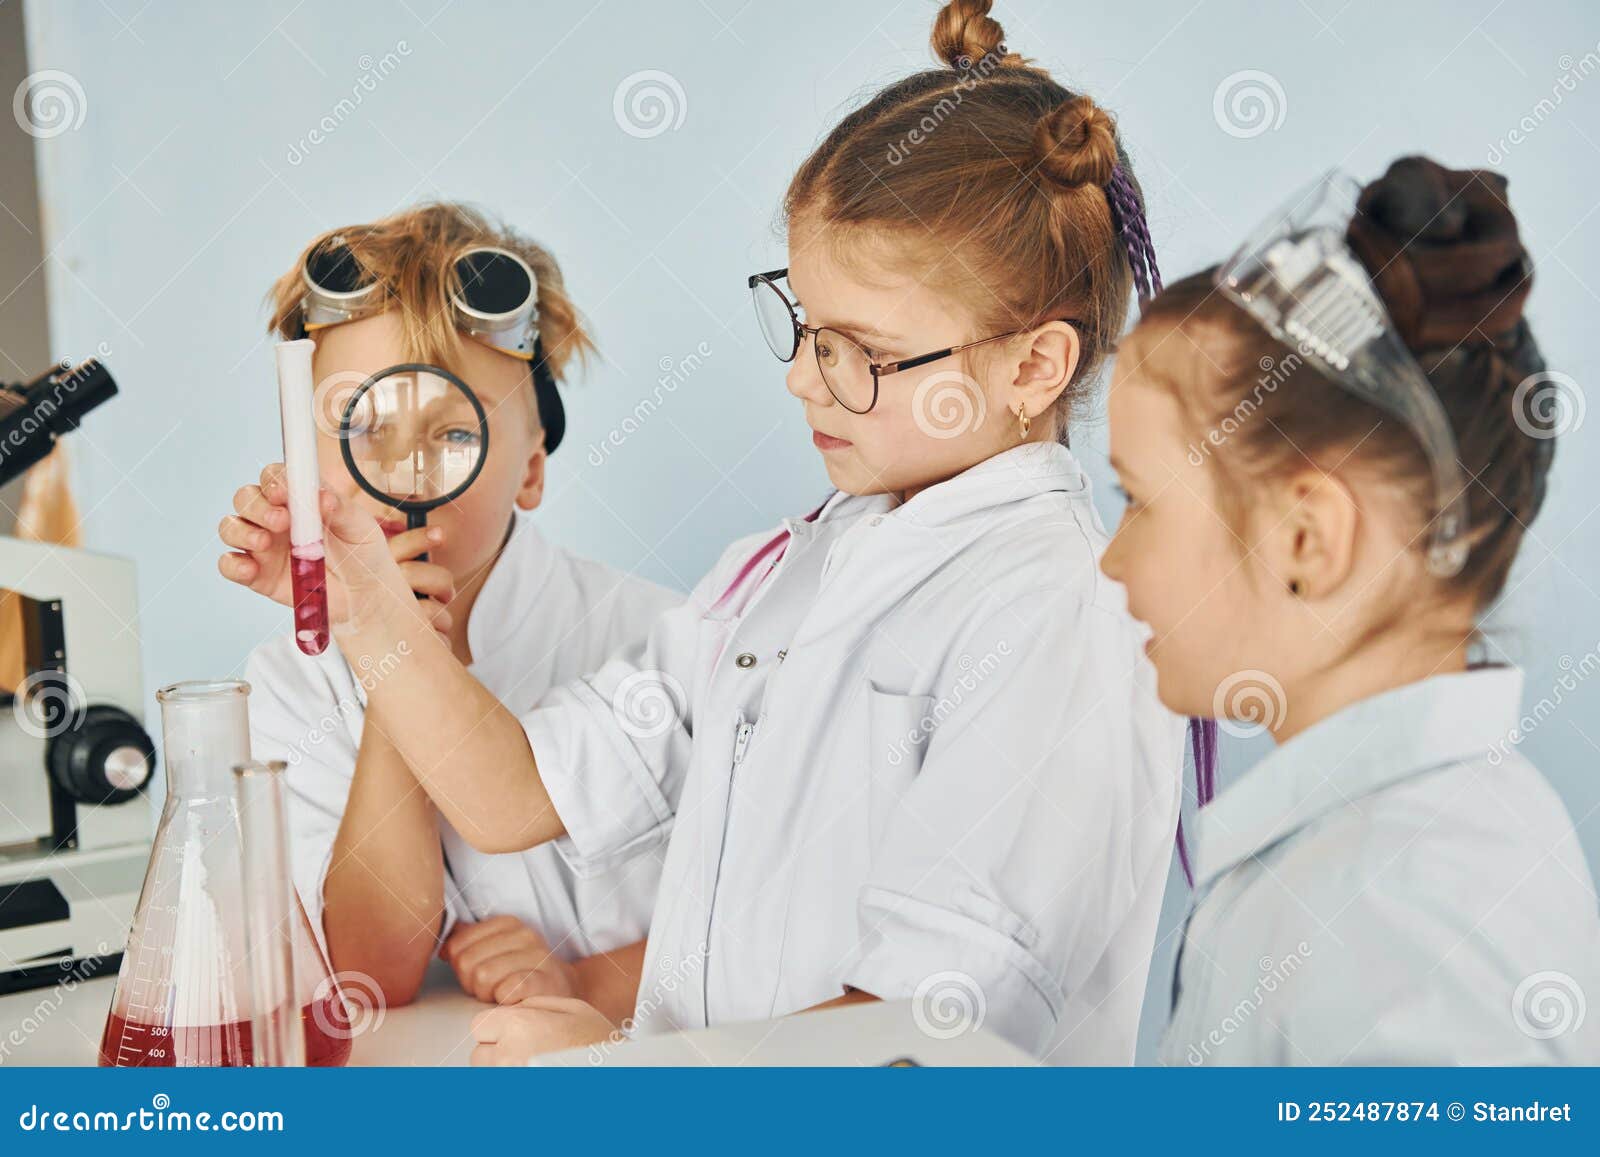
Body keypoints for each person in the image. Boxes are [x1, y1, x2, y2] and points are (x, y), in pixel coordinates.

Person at [221, 0, 1187, 1064]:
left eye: (857, 350)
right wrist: (370, 616)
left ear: (1033, 367)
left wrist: (609, 1069)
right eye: (802, 325)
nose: (799, 376)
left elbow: (927, 1038)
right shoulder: (779, 573)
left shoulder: (1054, 615)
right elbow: (512, 794)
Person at [1101, 155, 1600, 1064]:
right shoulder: (1395, 855)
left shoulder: (1409, 920)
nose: (1111, 557)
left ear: (1307, 539)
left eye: (1137, 498)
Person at [222, 204, 679, 1011]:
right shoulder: (289, 682)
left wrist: (586, 983)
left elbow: (764, 921)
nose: (402, 474)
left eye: (451, 436)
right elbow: (372, 973)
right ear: (301, 472)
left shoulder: (652, 638)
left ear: (531, 472)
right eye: (360, 429)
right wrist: (392, 652)